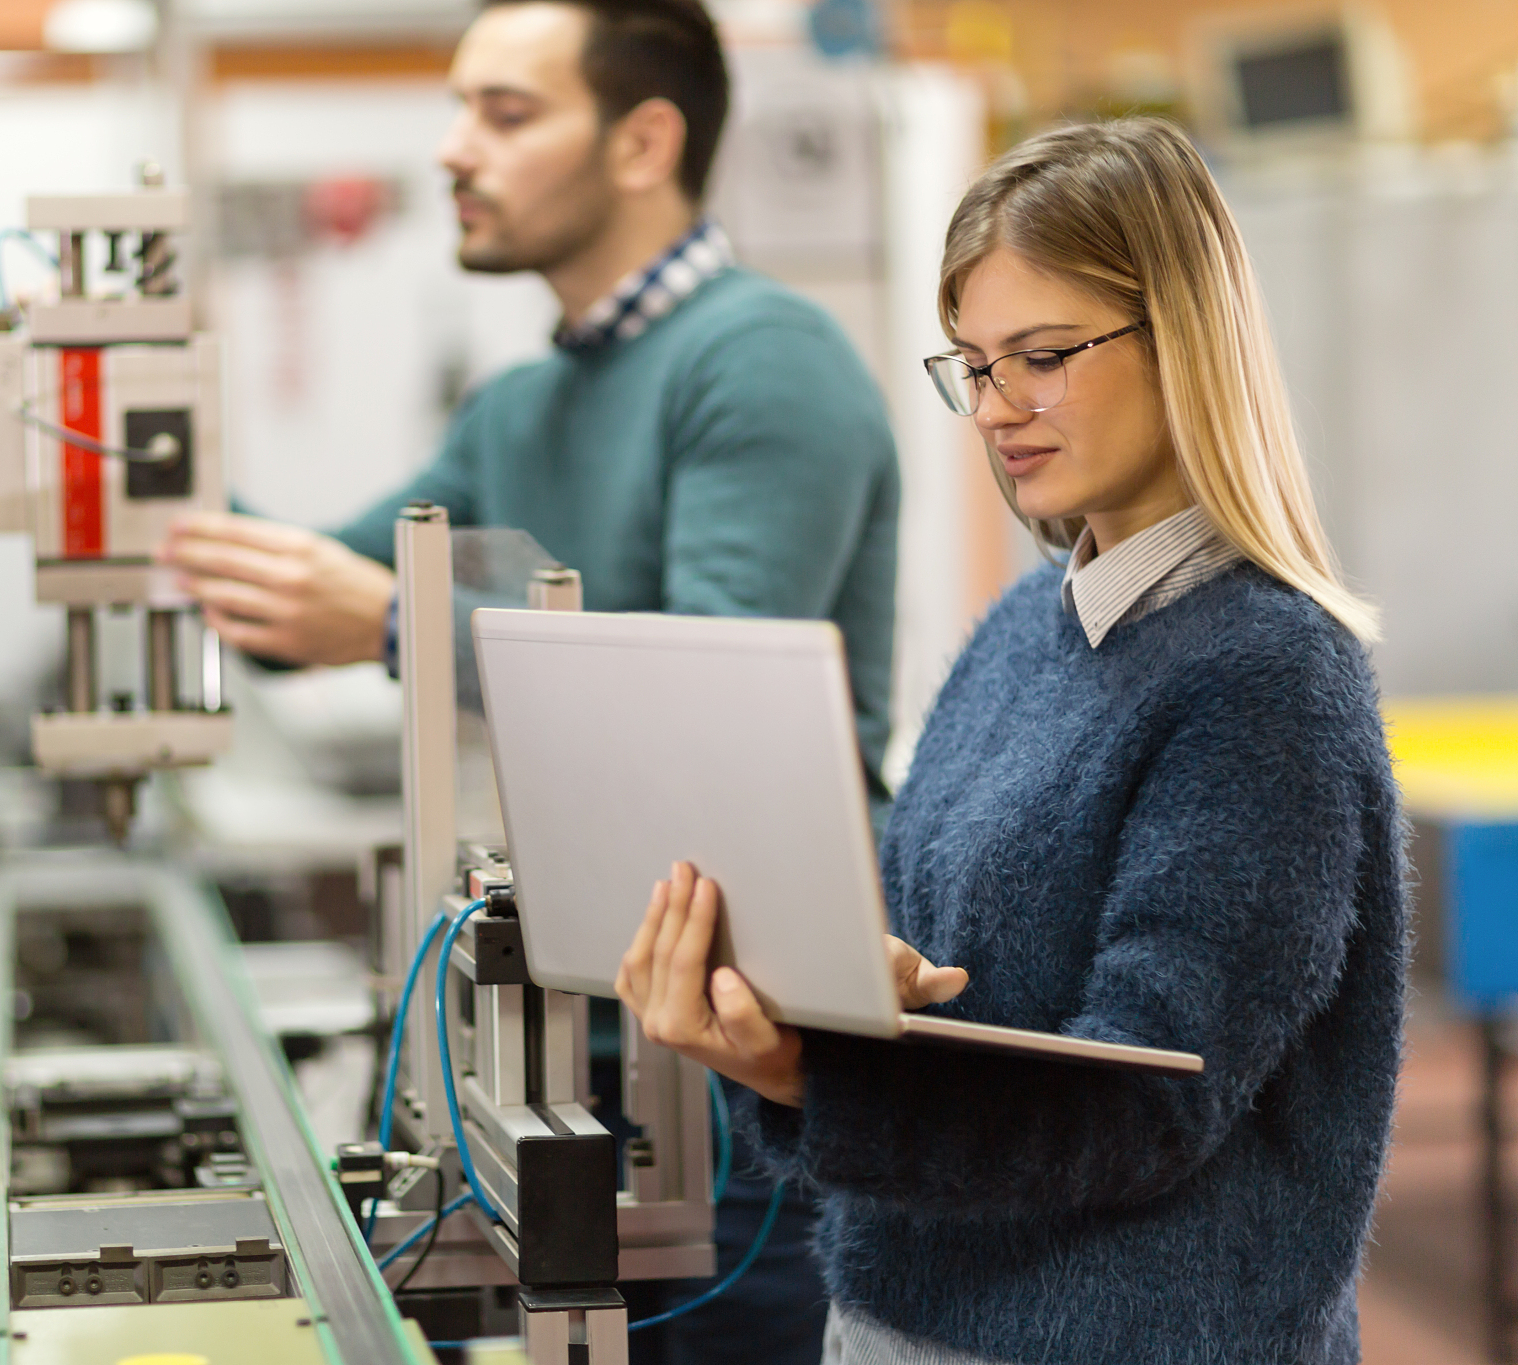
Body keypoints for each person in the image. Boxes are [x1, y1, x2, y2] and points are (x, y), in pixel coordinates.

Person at [159, 1, 899, 1358]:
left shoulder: (763, 361)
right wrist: (137, 429)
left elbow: (709, 689)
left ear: (643, 142)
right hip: (576, 1033)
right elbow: (300, 598)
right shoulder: (519, 406)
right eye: (458, 109)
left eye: (504, 113)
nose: (452, 149)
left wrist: (394, 621)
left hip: (743, 1059)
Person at [614, 116, 1407, 1365]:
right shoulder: (1017, 635)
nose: (995, 409)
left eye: (1039, 357)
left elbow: (1144, 1104)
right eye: (972, 367)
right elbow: (945, 970)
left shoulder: (1265, 677)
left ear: (1181, 339)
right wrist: (817, 990)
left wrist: (810, 1081)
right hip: (898, 1318)